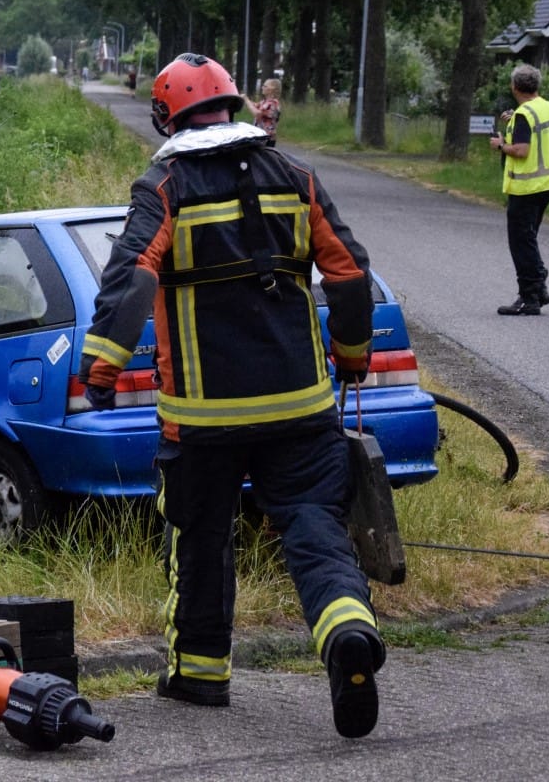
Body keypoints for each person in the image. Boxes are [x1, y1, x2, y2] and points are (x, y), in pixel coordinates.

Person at [77, 53, 385, 739]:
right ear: (239, 105)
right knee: (312, 523)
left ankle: (201, 673)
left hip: (202, 417)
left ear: (165, 116)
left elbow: (131, 280)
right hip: (300, 406)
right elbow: (348, 272)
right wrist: (354, 356)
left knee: (200, 536)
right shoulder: (295, 176)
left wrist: (101, 369)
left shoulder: (165, 185)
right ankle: (346, 634)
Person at [489, 63, 549, 316]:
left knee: (521, 242)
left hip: (526, 186)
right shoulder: (547, 107)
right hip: (547, 183)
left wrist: (499, 145)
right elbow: (533, 134)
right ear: (537, 86)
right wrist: (512, 123)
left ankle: (529, 296)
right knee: (529, 238)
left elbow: (521, 150)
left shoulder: (523, 115)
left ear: (514, 86)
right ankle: (539, 288)